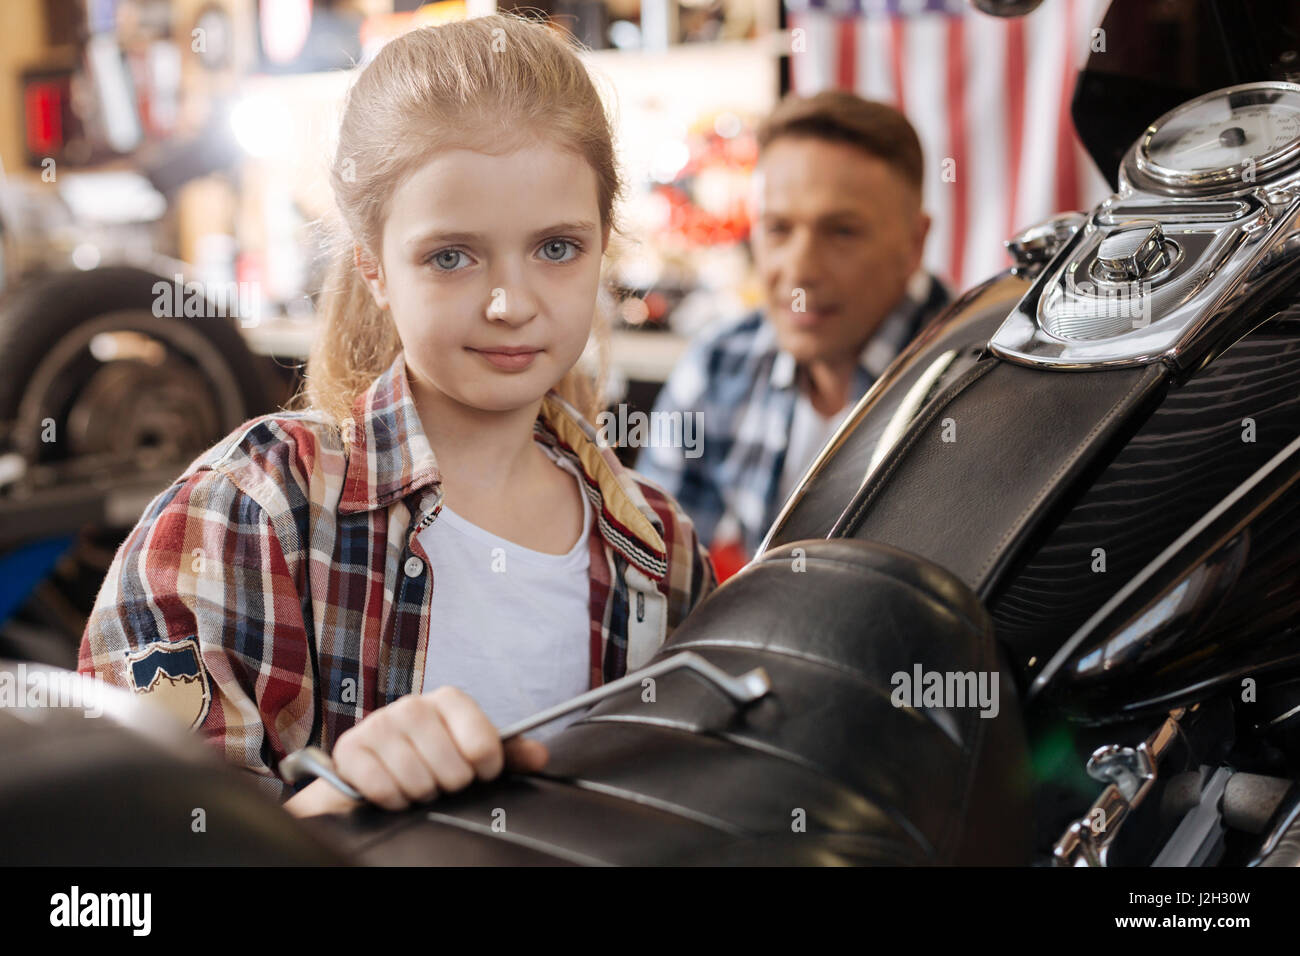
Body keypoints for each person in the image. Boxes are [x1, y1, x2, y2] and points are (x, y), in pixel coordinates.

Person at [77, 14, 716, 817]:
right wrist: (334, 804)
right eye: (451, 256)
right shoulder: (247, 512)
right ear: (374, 269)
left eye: (556, 248)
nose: (510, 304)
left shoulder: (662, 553)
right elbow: (115, 854)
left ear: (602, 248)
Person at [637, 91, 952, 567]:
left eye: (842, 231)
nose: (799, 269)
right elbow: (657, 570)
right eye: (779, 229)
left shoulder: (975, 388)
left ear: (914, 244)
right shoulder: (720, 364)